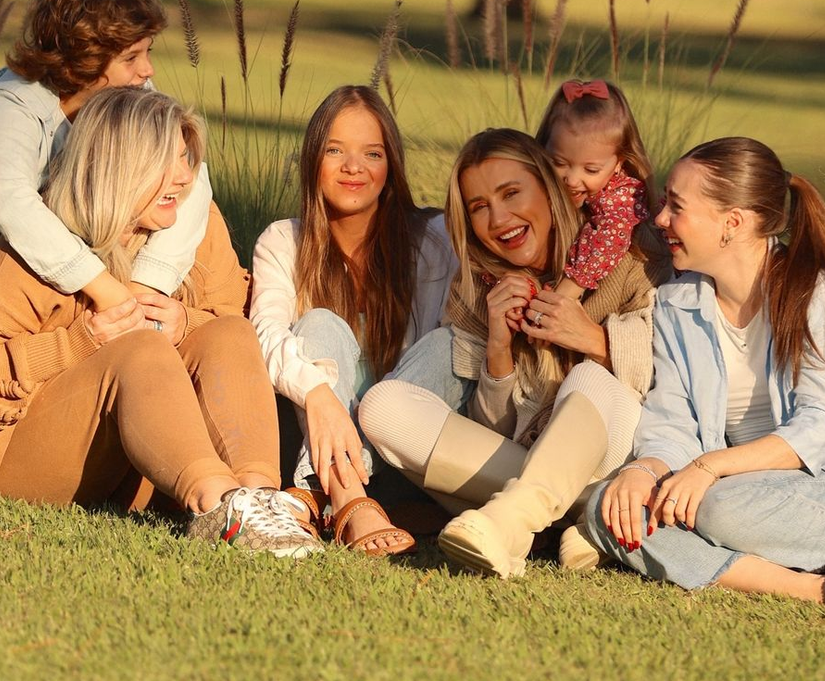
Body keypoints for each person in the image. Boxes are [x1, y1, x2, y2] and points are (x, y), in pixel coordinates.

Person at [0, 87, 319, 558]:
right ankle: (219, 506)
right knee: (138, 349)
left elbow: (234, 326)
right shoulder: (40, 248)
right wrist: (81, 341)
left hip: (136, 465)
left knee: (228, 331)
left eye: (187, 158)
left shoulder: (194, 228)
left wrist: (186, 322)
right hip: (21, 458)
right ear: (119, 165)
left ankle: (259, 502)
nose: (184, 177)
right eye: (166, 160)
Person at [583, 136, 825, 613]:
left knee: (719, 507)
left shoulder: (815, 292)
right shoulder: (677, 304)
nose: (660, 220)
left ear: (731, 223)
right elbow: (673, 419)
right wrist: (641, 471)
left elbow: (819, 429)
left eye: (677, 207)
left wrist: (709, 468)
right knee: (606, 508)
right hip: (745, 489)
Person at [0, 0, 212, 444]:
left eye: (148, 52)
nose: (148, 70)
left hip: (80, 273)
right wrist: (108, 291)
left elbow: (197, 184)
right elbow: (11, 202)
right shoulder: (14, 105)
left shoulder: (132, 95)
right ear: (87, 58)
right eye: (133, 56)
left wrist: (143, 286)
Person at [359, 127, 670, 577]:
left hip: (617, 452)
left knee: (589, 379)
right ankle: (571, 514)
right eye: (479, 207)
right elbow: (495, 432)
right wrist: (499, 351)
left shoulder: (627, 258)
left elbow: (671, 381)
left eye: (511, 193)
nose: (499, 218)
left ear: (550, 189)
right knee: (382, 407)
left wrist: (591, 339)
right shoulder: (478, 288)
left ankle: (516, 517)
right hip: (560, 475)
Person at [250, 85, 456, 557]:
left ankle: (325, 495)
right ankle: (350, 498)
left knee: (450, 346)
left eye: (372, 153)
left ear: (391, 164)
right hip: (313, 436)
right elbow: (264, 334)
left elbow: (440, 367)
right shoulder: (283, 241)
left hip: (404, 445)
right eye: (335, 150)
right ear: (312, 160)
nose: (353, 167)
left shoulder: (432, 240)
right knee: (320, 323)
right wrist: (318, 394)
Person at [536, 78, 655, 294]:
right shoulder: (535, 178)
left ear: (619, 163)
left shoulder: (623, 195)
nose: (571, 180)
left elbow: (609, 237)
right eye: (559, 163)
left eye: (590, 170)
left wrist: (568, 291)